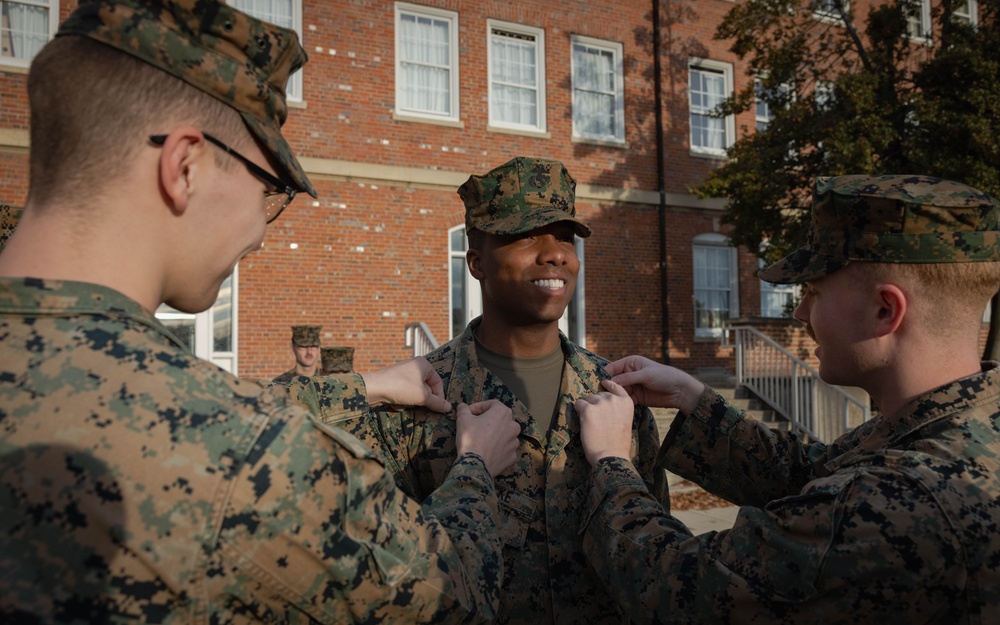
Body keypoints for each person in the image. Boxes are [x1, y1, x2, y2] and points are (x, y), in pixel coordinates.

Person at [0, 1, 520, 622]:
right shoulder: (250, 453)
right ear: (184, 165)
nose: (261, 231)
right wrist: (474, 468)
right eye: (268, 190)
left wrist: (362, 388)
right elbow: (451, 593)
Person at [574, 174, 1000, 624]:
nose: (800, 313)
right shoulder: (956, 425)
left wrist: (610, 462)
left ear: (885, 311)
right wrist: (692, 399)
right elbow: (810, 472)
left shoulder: (894, 500)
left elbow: (676, 587)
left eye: (813, 292)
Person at [322, 156, 668, 625]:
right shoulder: (420, 398)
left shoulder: (617, 394)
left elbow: (654, 561)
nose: (555, 254)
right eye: (526, 235)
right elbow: (395, 571)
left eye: (565, 237)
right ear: (477, 262)